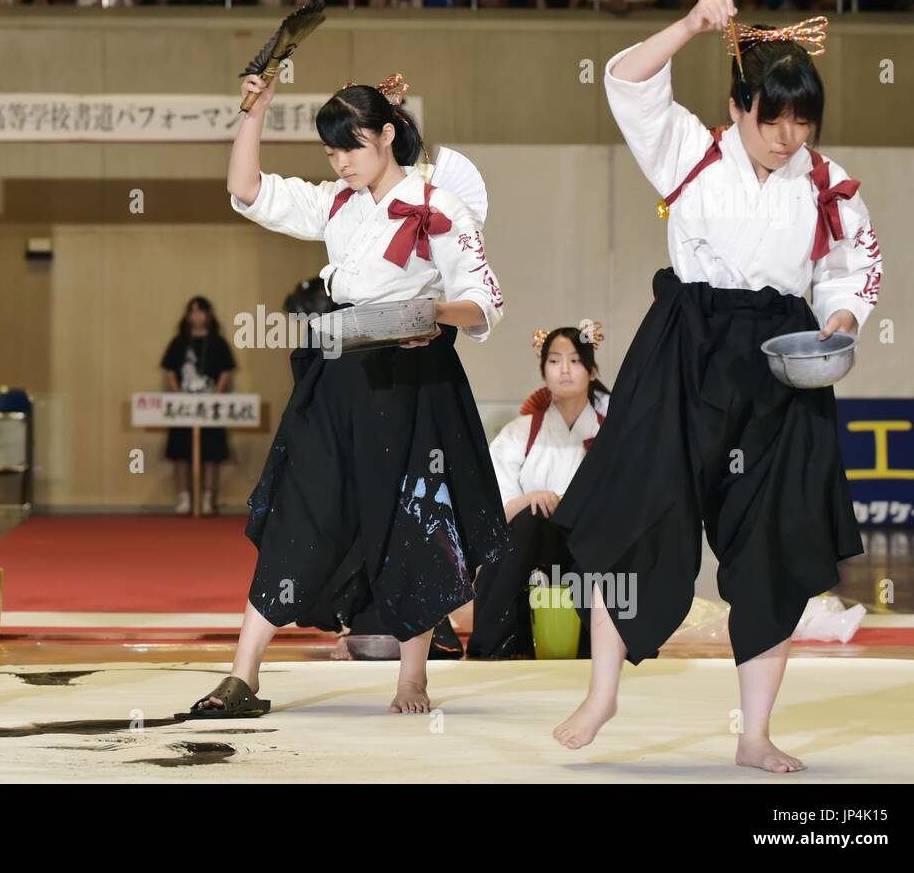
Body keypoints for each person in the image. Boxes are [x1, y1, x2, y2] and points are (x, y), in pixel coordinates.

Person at [550, 0, 884, 773]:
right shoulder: (687, 151)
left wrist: (840, 321)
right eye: (771, 119)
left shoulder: (828, 182)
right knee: (636, 513)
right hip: (683, 347)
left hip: (782, 359)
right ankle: (602, 694)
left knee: (776, 537)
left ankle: (755, 732)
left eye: (802, 122)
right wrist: (693, 27)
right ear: (736, 106)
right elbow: (625, 79)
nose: (787, 137)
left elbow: (851, 267)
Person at [179, 70, 507, 719]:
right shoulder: (336, 201)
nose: (342, 162)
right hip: (338, 375)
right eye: (332, 152)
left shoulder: (439, 204)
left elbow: (485, 300)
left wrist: (433, 314)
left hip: (414, 377)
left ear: (387, 135)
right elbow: (246, 189)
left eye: (351, 146)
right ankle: (242, 673)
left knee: (413, 520)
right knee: (301, 508)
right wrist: (256, 111)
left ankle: (412, 677)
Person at [467, 325, 610, 659]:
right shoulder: (519, 433)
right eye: (555, 360)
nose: (564, 369)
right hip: (532, 546)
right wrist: (530, 500)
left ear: (591, 371)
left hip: (589, 545)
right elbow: (492, 509)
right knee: (529, 520)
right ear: (543, 370)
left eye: (575, 361)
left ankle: (607, 642)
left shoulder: (611, 434)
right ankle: (494, 645)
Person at [161, 296, 236, 515]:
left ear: (209, 315)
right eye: (192, 312)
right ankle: (183, 497)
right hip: (183, 406)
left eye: (201, 311)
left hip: (210, 406)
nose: (197, 316)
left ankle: (207, 498)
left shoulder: (218, 343)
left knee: (211, 453)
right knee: (180, 452)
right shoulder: (178, 342)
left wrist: (214, 395)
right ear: (187, 316)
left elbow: (225, 372)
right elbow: (170, 371)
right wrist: (178, 394)